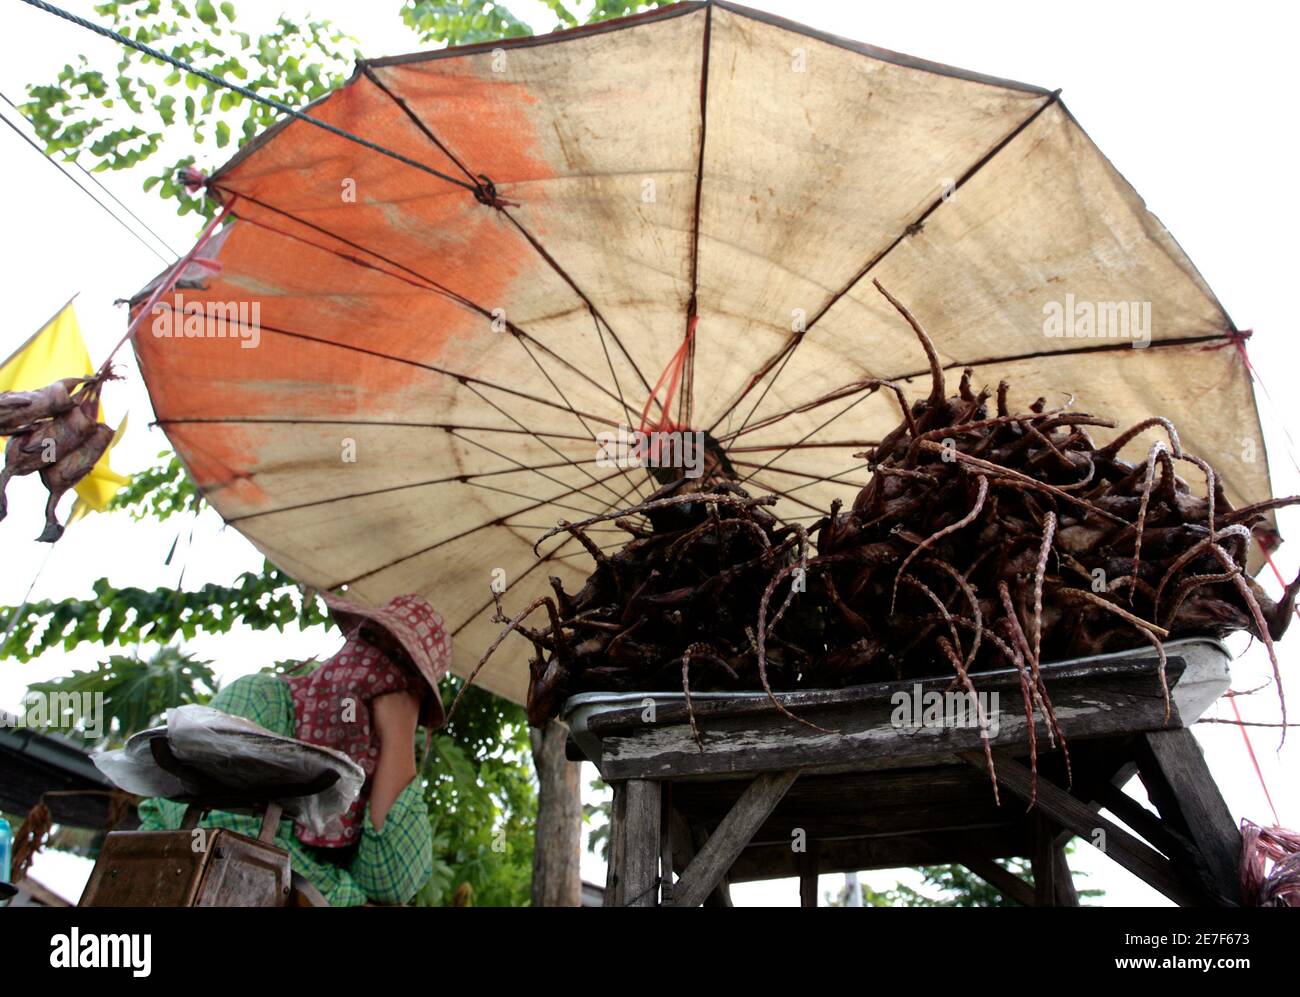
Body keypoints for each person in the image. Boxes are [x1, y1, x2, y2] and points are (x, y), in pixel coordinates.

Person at [137, 593, 451, 906]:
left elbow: (393, 882)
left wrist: (398, 739)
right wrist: (350, 898)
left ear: (412, 700)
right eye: (371, 640)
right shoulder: (262, 699)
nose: (374, 666)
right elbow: (224, 836)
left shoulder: (378, 767)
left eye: (402, 668)